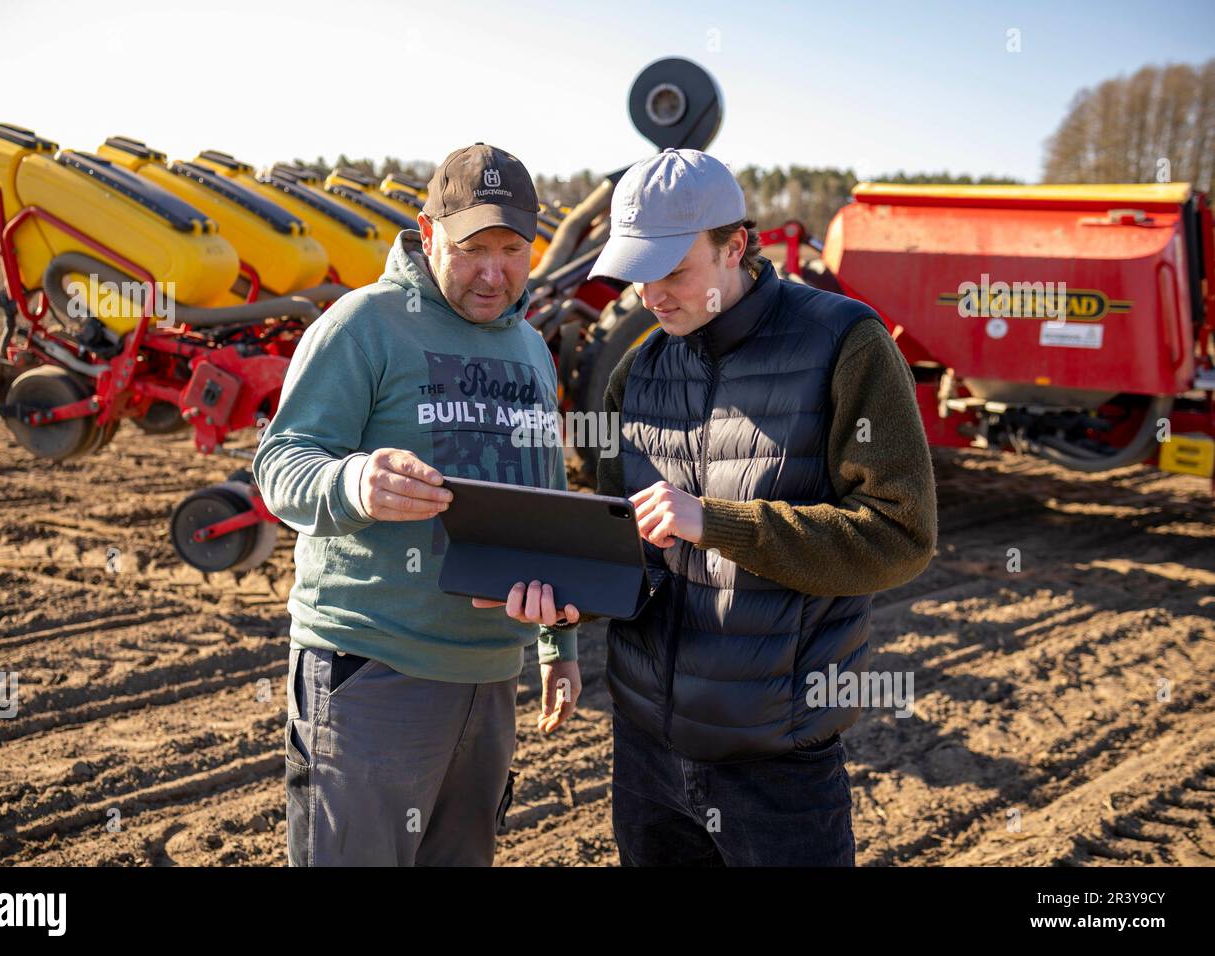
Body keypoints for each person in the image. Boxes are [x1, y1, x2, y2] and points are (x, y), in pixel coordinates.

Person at [586, 147, 938, 866]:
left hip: (775, 763)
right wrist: (564, 593)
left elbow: (901, 536)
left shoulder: (844, 344)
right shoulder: (639, 370)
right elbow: (618, 542)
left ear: (736, 246)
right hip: (645, 753)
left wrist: (715, 522)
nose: (651, 295)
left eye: (674, 271)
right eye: (637, 274)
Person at [253, 143, 581, 867]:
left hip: (491, 679)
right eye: (472, 250)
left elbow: (546, 499)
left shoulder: (531, 347)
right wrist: (353, 483)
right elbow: (279, 464)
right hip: (375, 670)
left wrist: (558, 644)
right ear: (429, 233)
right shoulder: (363, 325)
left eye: (512, 250)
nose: (493, 273)